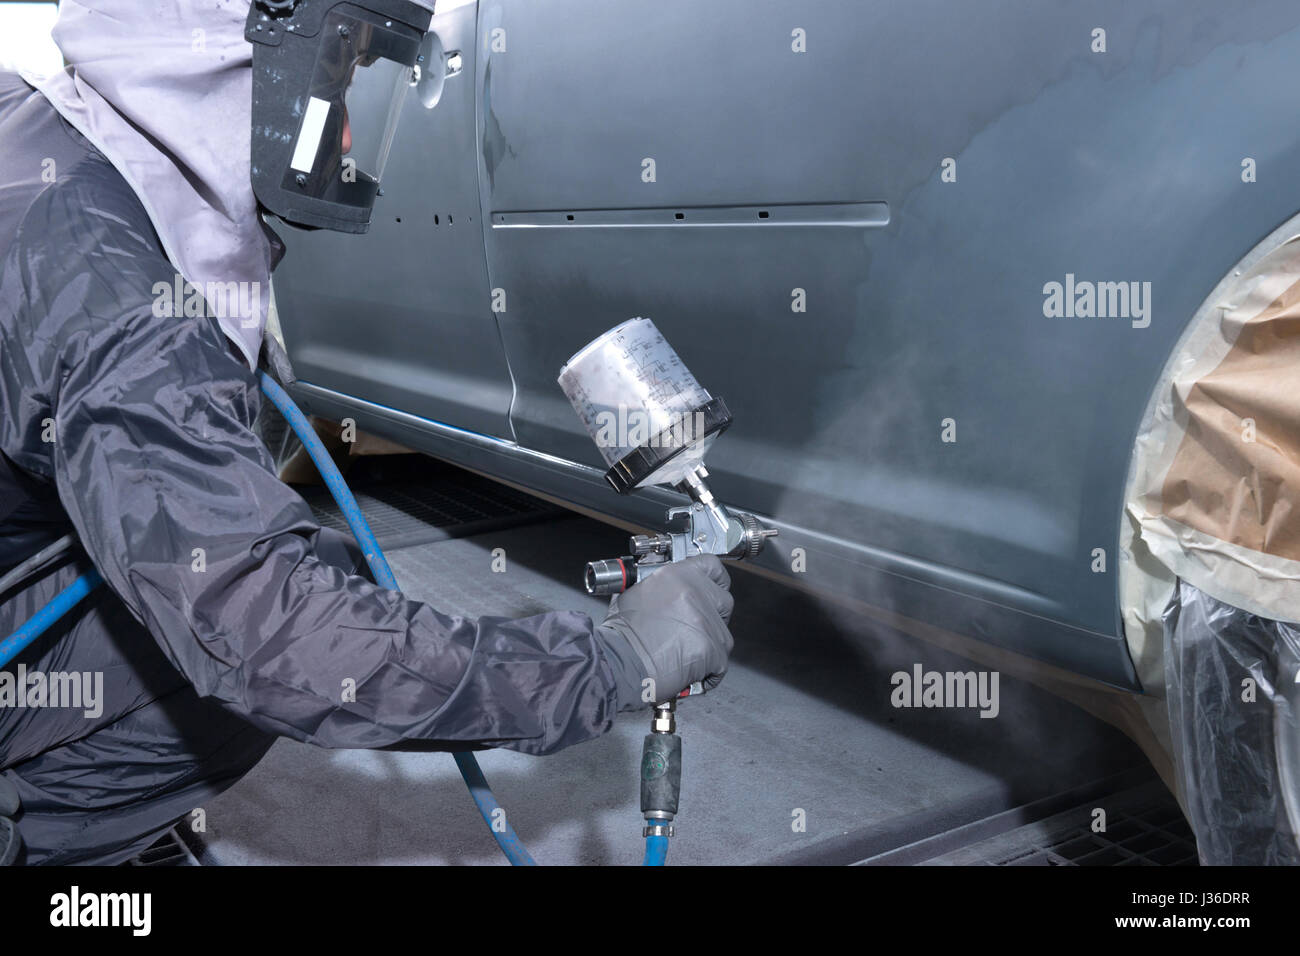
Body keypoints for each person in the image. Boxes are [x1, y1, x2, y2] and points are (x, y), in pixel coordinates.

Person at [0, 0, 734, 865]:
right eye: (338, 75)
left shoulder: (30, 130)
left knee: (252, 573)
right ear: (241, 56)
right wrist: (611, 664)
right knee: (250, 629)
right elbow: (274, 637)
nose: (344, 143)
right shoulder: (126, 310)